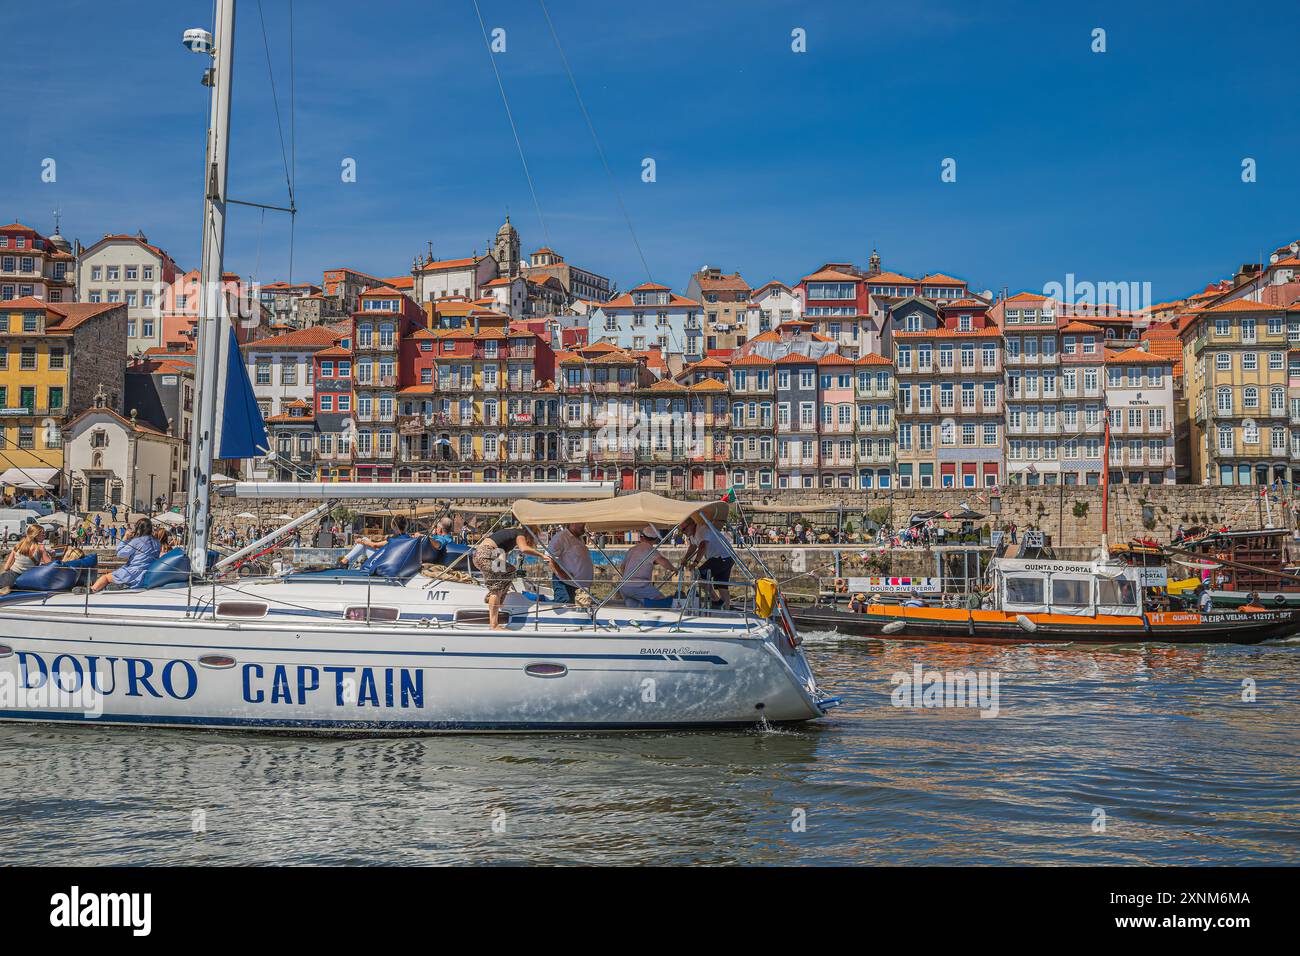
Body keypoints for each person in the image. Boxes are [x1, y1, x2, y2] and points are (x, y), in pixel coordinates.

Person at [473, 526, 556, 629]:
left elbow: (501, 554)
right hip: (486, 554)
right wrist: (542, 555)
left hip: (484, 554)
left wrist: (503, 576)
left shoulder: (510, 533)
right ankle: (493, 625)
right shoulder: (519, 533)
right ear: (529, 533)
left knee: (510, 571)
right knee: (497, 588)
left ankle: (496, 598)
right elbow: (524, 548)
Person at [88, 517, 161, 593]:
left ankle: (92, 589)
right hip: (147, 574)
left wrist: (125, 537)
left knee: (105, 577)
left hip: (132, 573)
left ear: (139, 528)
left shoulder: (137, 541)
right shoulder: (157, 542)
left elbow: (120, 554)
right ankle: (121, 585)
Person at [682, 515, 734, 610]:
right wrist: (685, 558)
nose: (683, 532)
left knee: (700, 575)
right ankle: (727, 609)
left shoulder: (701, 530)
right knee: (721, 585)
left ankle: (716, 600)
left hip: (720, 557)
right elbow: (693, 546)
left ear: (692, 524)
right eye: (682, 530)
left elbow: (702, 546)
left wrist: (695, 563)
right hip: (727, 557)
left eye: (684, 529)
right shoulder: (693, 534)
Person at [620, 526, 677, 606]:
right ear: (655, 539)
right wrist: (673, 568)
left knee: (634, 605)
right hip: (639, 586)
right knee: (661, 599)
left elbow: (622, 567)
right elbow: (663, 562)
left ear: (642, 536)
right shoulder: (650, 550)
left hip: (624, 587)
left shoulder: (632, 549)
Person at [0, 525, 56, 595]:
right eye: (43, 534)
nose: (45, 535)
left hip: (9, 579)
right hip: (26, 580)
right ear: (36, 535)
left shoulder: (18, 545)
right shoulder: (41, 548)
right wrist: (53, 556)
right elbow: (50, 567)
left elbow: (6, 567)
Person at [547, 521, 593, 604]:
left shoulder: (579, 538)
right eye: (582, 524)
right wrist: (560, 572)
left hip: (579, 586)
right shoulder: (561, 537)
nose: (584, 526)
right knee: (564, 607)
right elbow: (549, 557)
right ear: (573, 523)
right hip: (565, 584)